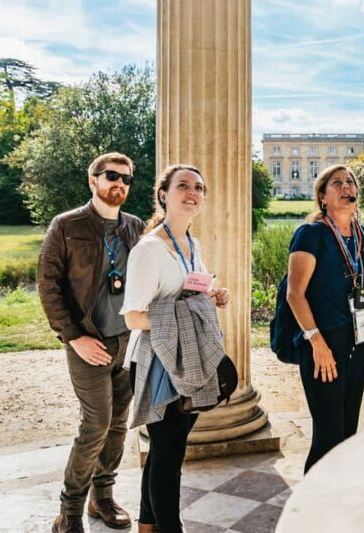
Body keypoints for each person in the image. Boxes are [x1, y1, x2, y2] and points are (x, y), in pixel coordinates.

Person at [38, 152, 144, 533]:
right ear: (92, 181)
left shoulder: (135, 227)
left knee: (117, 424)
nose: (119, 183)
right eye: (111, 176)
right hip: (89, 343)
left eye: (126, 179)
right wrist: (74, 336)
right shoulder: (66, 225)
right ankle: (69, 511)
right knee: (96, 423)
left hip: (128, 342)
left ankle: (103, 497)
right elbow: (48, 287)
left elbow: (153, 277)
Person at [120, 164, 229, 533]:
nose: (192, 192)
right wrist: (185, 315)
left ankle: (147, 524)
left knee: (166, 450)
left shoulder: (192, 244)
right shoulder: (148, 249)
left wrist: (211, 296)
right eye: (183, 185)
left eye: (199, 187)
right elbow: (133, 318)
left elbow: (191, 292)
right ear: (163, 194)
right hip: (155, 361)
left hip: (188, 357)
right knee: (169, 456)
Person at [286, 164, 364, 473]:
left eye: (350, 182)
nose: (346, 187)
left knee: (348, 432)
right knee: (328, 435)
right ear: (322, 196)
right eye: (337, 183)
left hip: (358, 341)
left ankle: (337, 503)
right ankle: (309, 512)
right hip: (323, 343)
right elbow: (295, 293)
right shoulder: (311, 234)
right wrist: (317, 342)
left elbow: (360, 289)